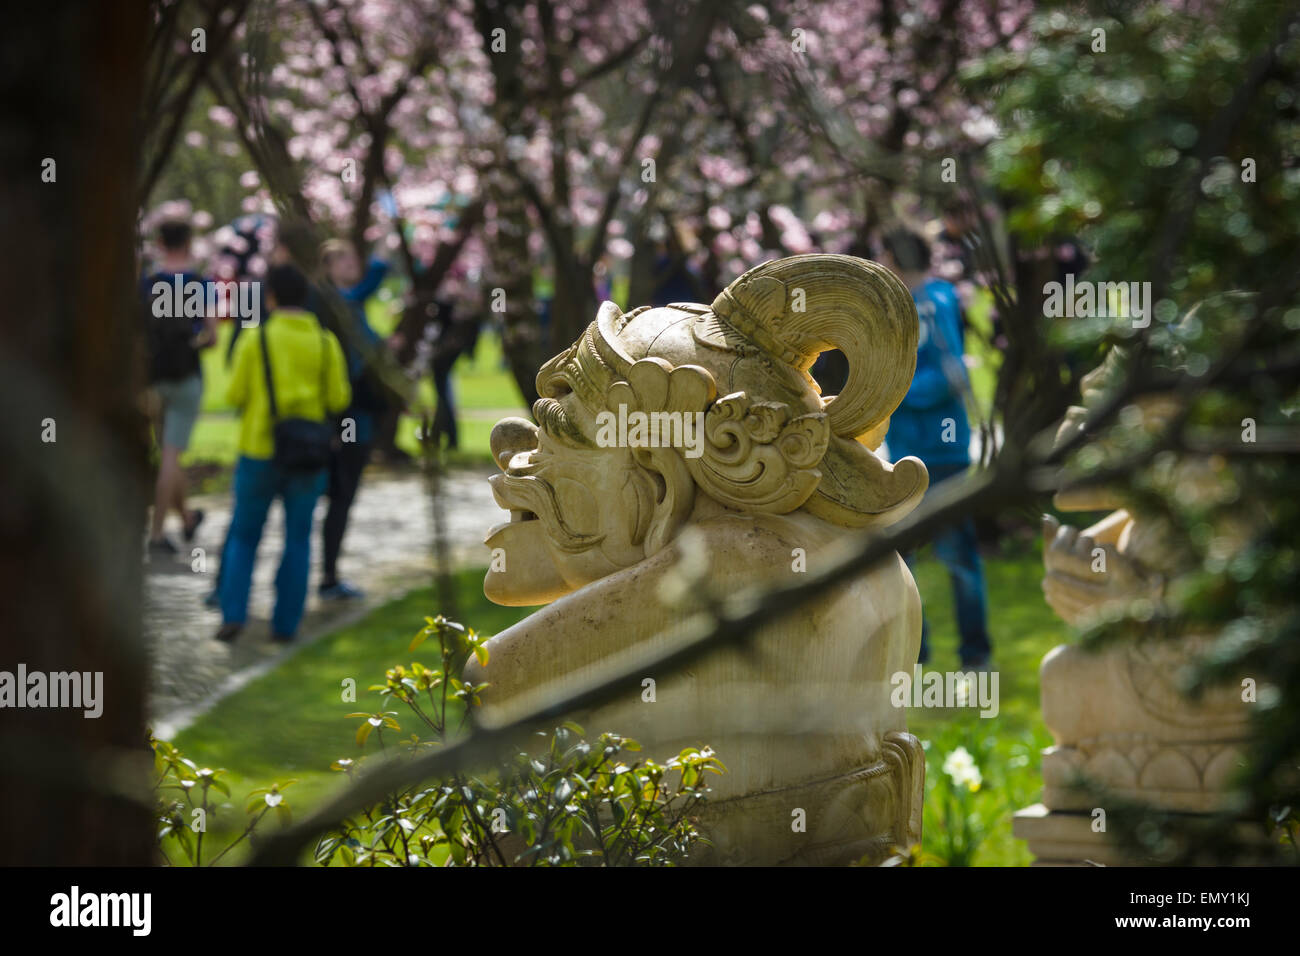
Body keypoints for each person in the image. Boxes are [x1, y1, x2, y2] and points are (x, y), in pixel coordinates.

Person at [216, 263, 350, 643]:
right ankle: (286, 624)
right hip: (309, 454)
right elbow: (339, 397)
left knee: (243, 536)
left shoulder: (254, 340)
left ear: (270, 296)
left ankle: (233, 613)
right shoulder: (325, 342)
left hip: (259, 448)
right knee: (298, 537)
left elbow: (234, 395)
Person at [881, 228, 993, 670]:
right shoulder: (907, 304)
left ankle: (974, 656)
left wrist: (893, 390)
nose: (881, 262)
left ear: (899, 256)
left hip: (942, 453)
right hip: (907, 453)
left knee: (957, 558)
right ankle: (915, 656)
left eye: (885, 254)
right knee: (904, 560)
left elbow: (952, 373)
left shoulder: (935, 300)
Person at [317, 239, 392, 599]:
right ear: (327, 268)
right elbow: (371, 283)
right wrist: (381, 258)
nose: (352, 264)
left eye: (354, 258)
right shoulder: (340, 304)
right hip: (347, 415)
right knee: (340, 494)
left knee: (339, 496)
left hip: (353, 414)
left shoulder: (349, 307)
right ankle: (328, 576)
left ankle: (329, 574)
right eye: (342, 260)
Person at [142, 219, 215, 557]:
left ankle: (186, 517)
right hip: (186, 377)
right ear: (188, 241)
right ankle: (157, 534)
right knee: (172, 456)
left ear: (159, 242)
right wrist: (193, 345)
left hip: (154, 380)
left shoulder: (148, 283)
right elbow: (211, 336)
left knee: (167, 455)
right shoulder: (198, 282)